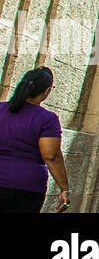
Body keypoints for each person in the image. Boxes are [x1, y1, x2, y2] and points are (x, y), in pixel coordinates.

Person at [0, 67, 69, 212]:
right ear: (47, 91)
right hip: (25, 188)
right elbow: (51, 156)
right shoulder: (47, 119)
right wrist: (64, 188)